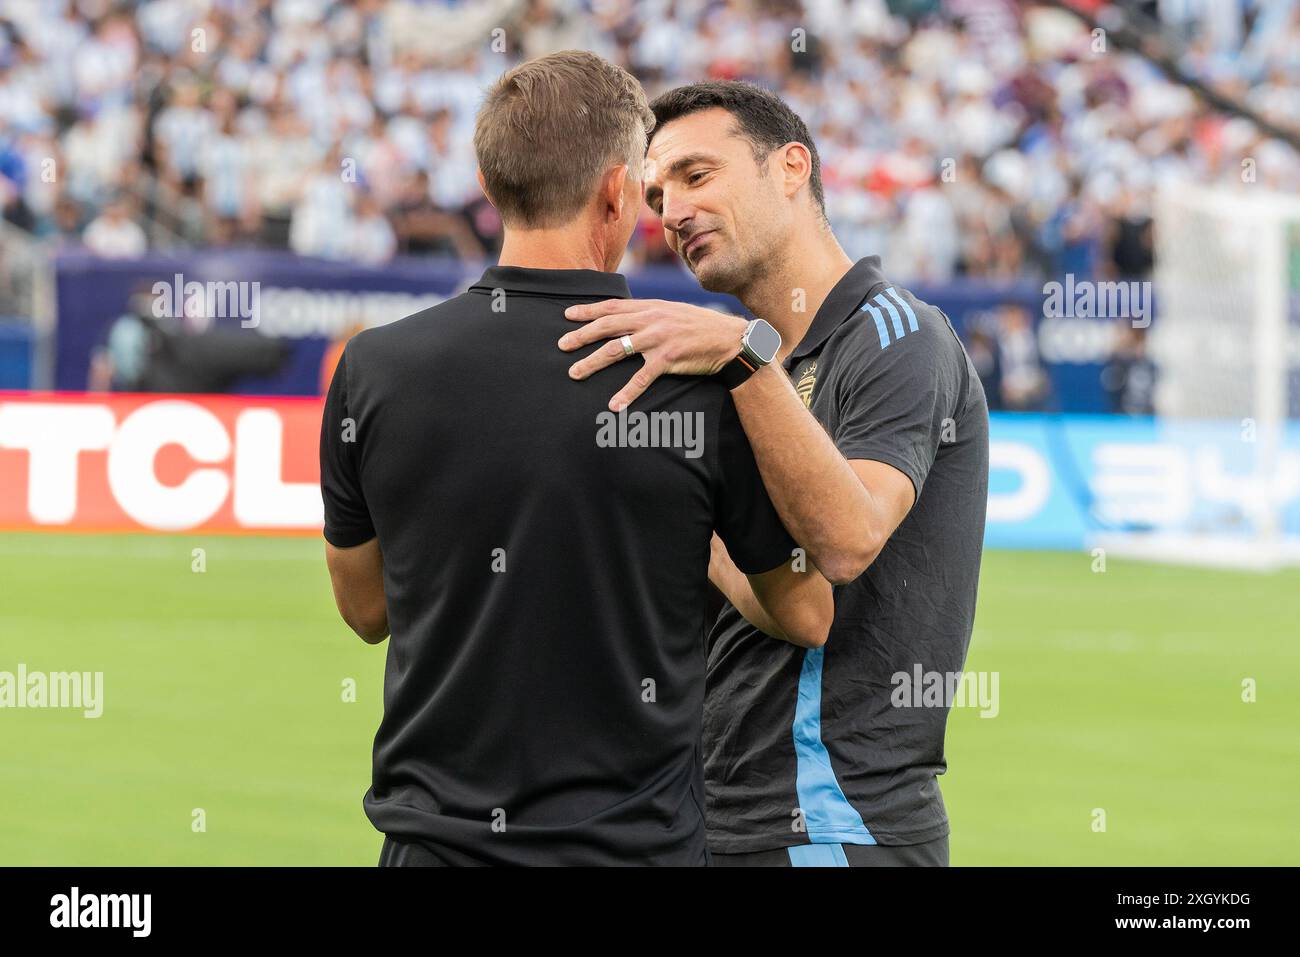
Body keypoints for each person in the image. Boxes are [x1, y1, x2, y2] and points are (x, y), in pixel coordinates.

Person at [319, 53, 832, 867]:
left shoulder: (373, 368)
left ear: (489, 188)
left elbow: (365, 609)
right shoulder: (694, 373)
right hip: (634, 848)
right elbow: (807, 612)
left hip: (434, 845)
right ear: (616, 192)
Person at [561, 81, 989, 866]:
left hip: (833, 822)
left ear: (792, 167)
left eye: (697, 175)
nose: (672, 211)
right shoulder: (731, 365)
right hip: (704, 821)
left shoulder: (897, 336)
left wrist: (743, 360)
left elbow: (849, 538)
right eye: (656, 193)